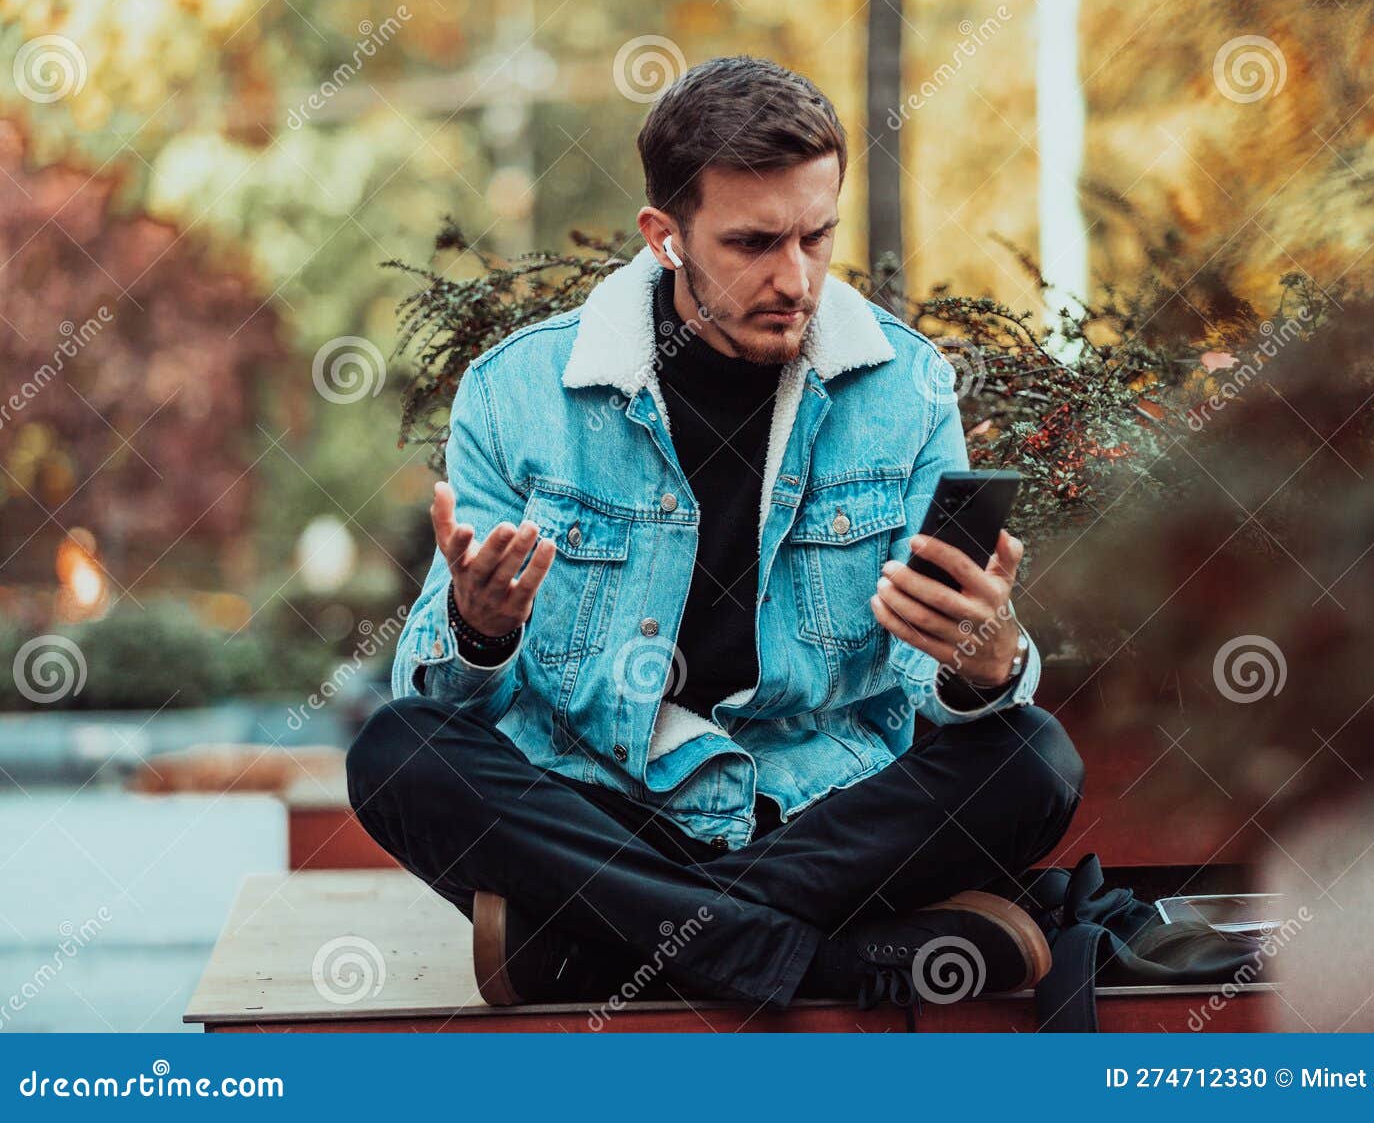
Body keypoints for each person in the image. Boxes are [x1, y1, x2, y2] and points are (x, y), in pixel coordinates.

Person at [348, 55, 1085, 1021]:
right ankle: (814, 959)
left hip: (814, 815)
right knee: (397, 753)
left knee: (1035, 759)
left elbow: (930, 696)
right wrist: (479, 632)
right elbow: (437, 694)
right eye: (753, 243)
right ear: (666, 237)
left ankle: (598, 946)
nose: (797, 278)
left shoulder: (905, 391)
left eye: (819, 236)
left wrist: (980, 668)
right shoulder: (518, 393)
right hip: (604, 809)